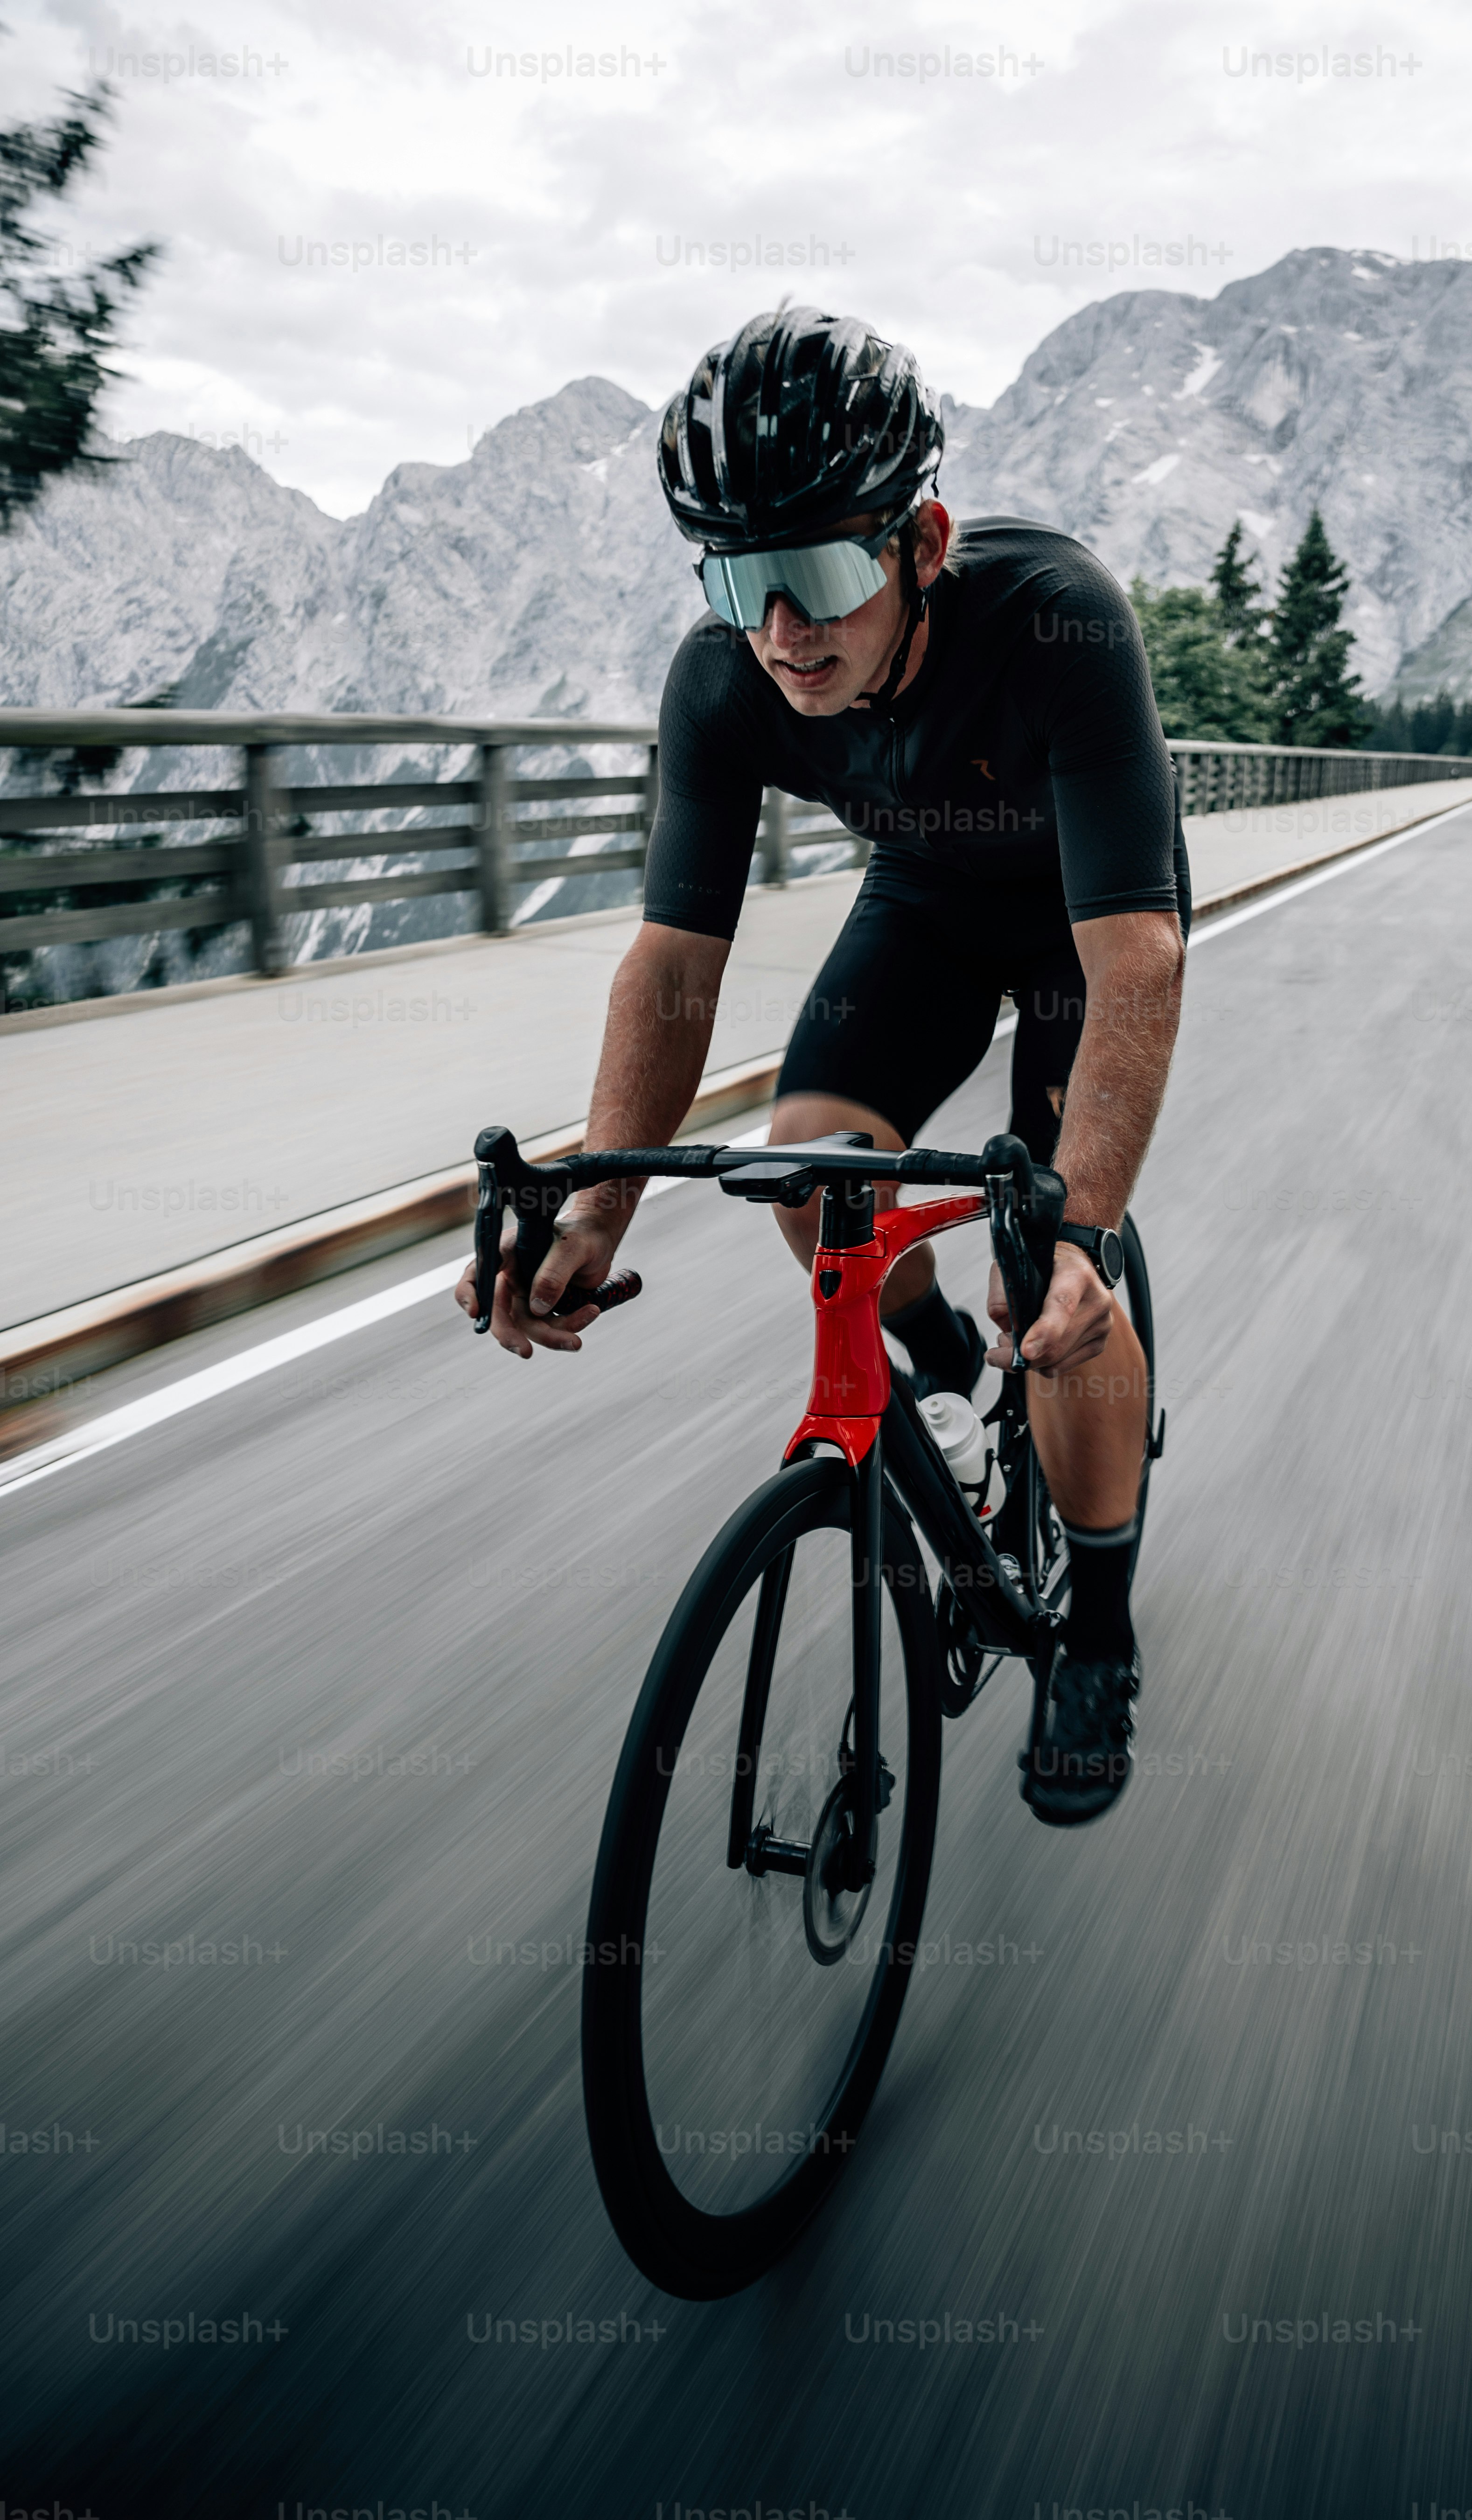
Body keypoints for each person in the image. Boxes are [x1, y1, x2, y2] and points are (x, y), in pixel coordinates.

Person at [459, 307, 1188, 1825]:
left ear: (921, 541)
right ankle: (926, 1382)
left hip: (1078, 923)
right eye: (737, 579)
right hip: (923, 904)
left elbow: (1135, 963)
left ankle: (1099, 1628)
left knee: (1049, 1279)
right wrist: (596, 1214)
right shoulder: (726, 682)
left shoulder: (1059, 622)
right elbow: (672, 966)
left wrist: (1078, 1218)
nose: (781, 630)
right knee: (808, 1163)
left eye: (816, 574)